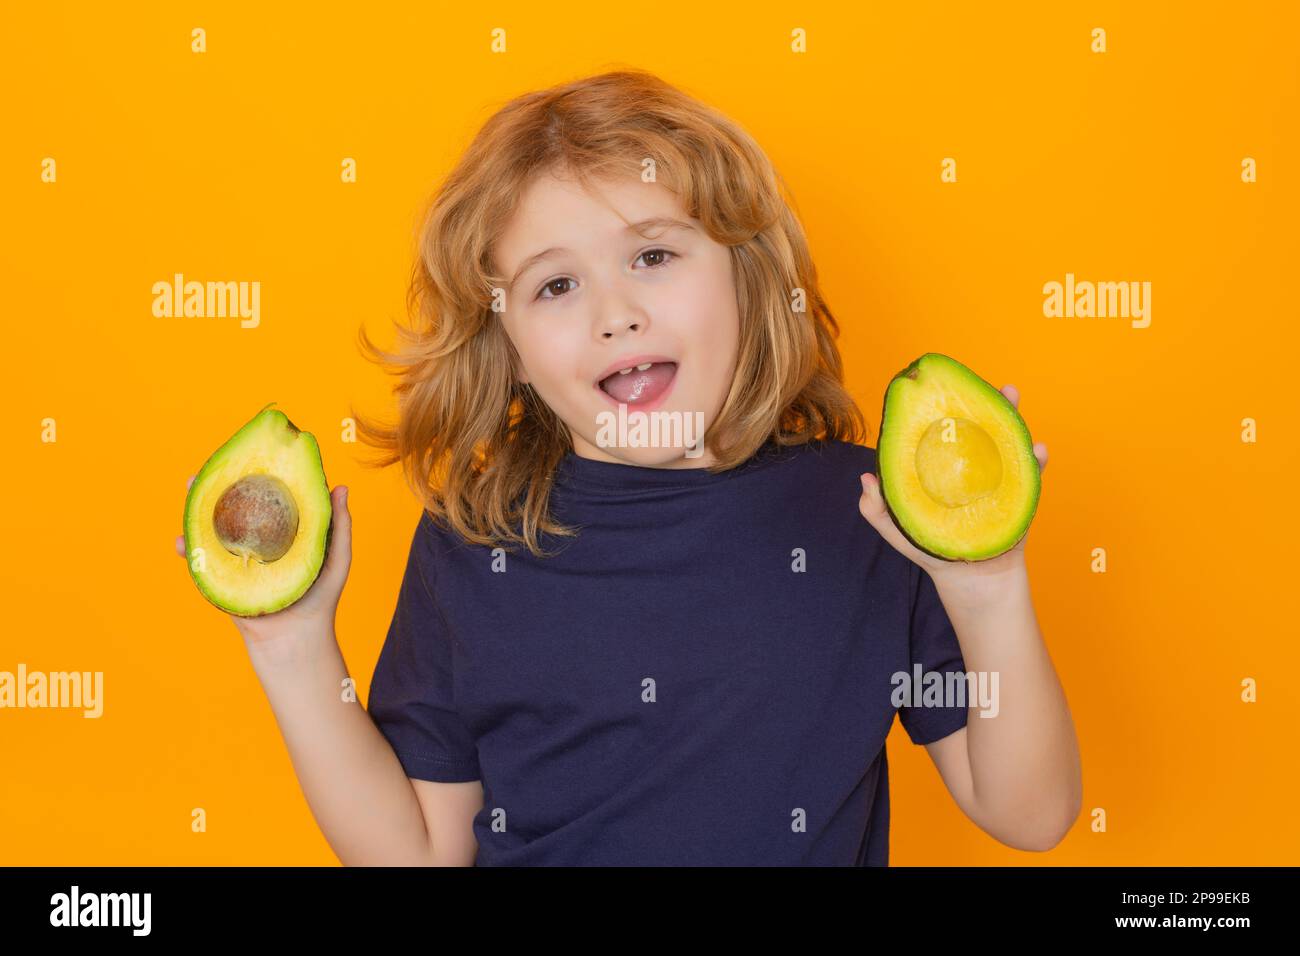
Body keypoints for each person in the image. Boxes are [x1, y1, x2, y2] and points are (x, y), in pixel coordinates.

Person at [177, 69, 1079, 866]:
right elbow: (420, 850)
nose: (616, 314)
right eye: (555, 285)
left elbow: (1029, 814)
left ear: (746, 277)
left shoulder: (867, 516)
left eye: (652, 255)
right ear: (514, 350)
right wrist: (289, 646)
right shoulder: (473, 546)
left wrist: (989, 587)